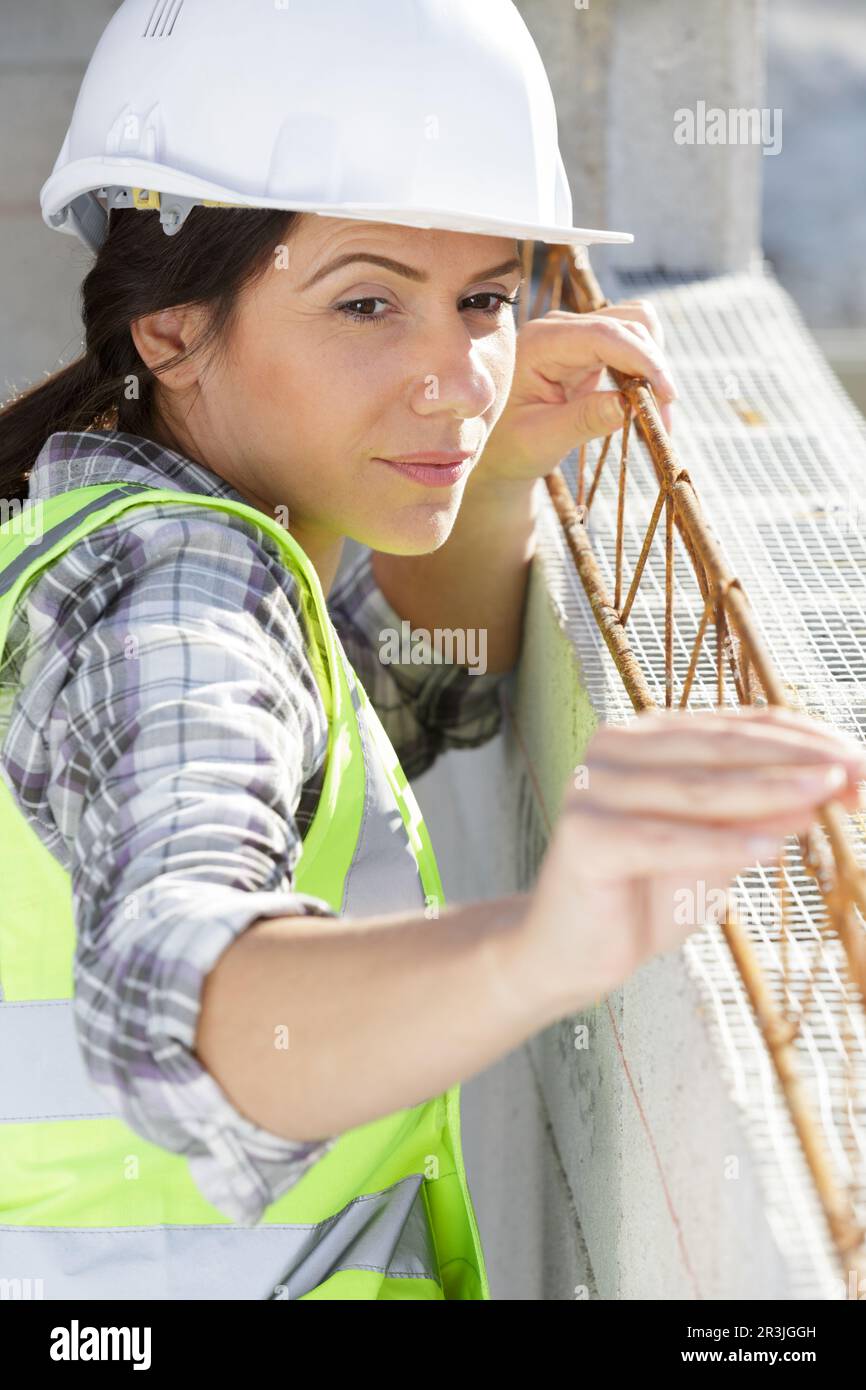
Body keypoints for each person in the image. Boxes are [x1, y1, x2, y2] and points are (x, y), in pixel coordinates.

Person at [0, 0, 863, 1302]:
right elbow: (175, 990)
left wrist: (501, 471)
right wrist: (541, 947)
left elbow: (392, 704)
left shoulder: (121, 510)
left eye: (483, 300)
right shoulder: (170, 586)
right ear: (170, 327)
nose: (458, 377)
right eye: (366, 304)